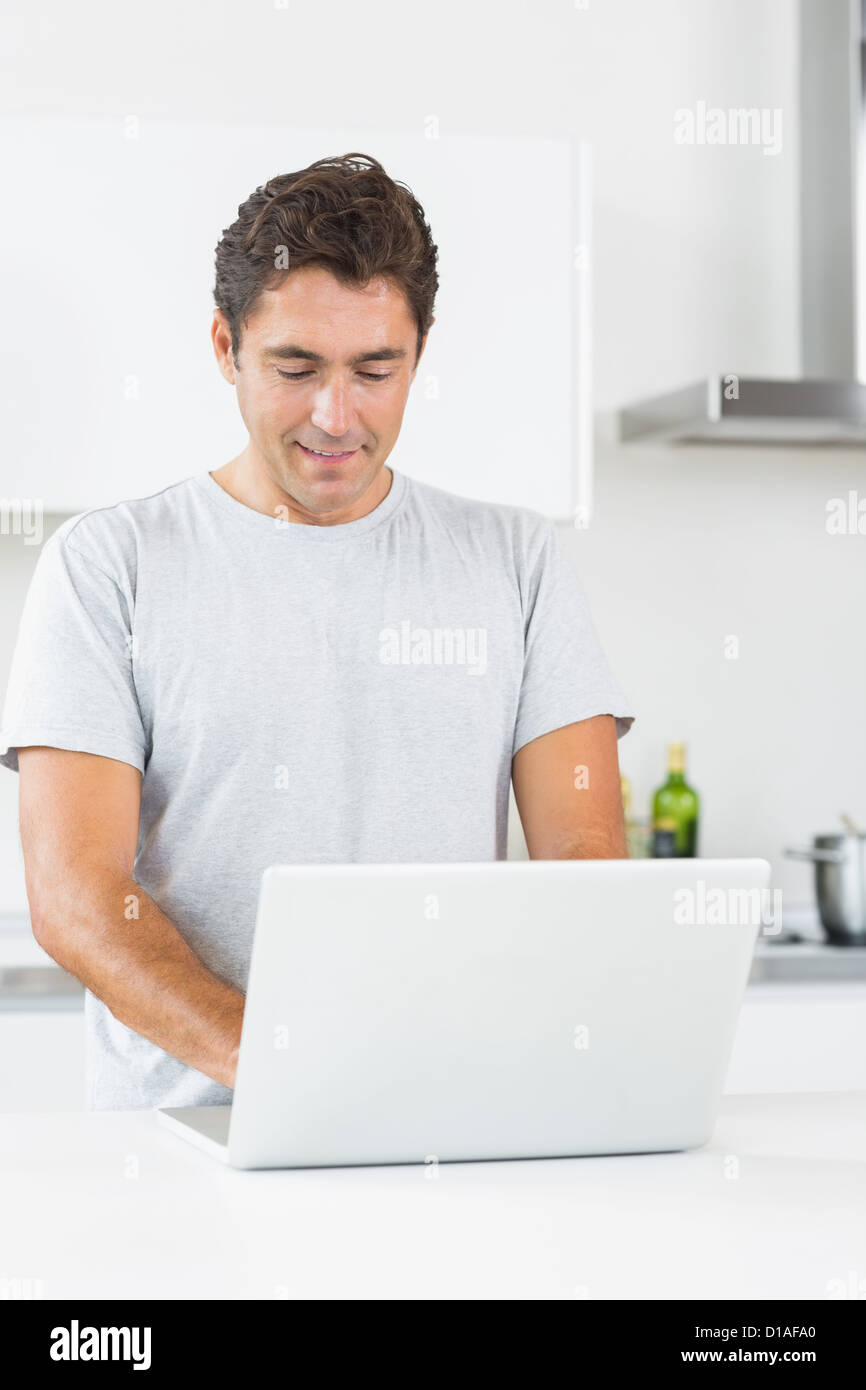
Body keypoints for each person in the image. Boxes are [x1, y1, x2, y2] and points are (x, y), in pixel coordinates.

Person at [0, 152, 635, 1111]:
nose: (337, 417)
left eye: (376, 370)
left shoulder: (516, 560)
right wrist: (290, 1069)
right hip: (192, 1134)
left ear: (420, 352)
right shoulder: (109, 566)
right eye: (295, 368)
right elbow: (79, 902)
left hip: (443, 1115)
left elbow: (585, 861)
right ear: (225, 346)